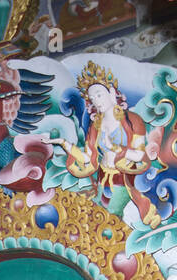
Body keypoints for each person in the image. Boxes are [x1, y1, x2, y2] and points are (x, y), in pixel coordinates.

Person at [49, 61, 159, 226]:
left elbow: (139, 155)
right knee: (100, 216)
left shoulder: (132, 121)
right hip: (103, 178)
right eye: (92, 98)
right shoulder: (96, 126)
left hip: (123, 177)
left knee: (112, 216)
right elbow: (87, 158)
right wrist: (63, 143)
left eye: (99, 94)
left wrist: (118, 149)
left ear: (112, 93)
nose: (96, 101)